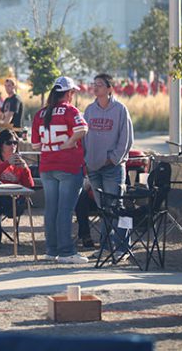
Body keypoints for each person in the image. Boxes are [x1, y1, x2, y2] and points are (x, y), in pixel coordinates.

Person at [31, 76, 89, 264]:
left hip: (47, 166)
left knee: (51, 210)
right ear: (69, 93)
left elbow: (35, 145)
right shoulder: (70, 110)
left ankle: (51, 249)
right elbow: (82, 129)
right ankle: (66, 252)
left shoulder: (40, 113)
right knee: (65, 210)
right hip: (68, 165)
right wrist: (69, 142)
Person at [82, 74, 134, 255]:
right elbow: (83, 136)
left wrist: (113, 158)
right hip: (93, 167)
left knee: (116, 207)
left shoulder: (120, 110)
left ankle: (122, 248)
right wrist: (87, 159)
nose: (95, 87)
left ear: (110, 88)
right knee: (103, 209)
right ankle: (105, 247)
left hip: (113, 167)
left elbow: (126, 139)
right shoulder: (89, 110)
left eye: (100, 84)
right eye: (94, 84)